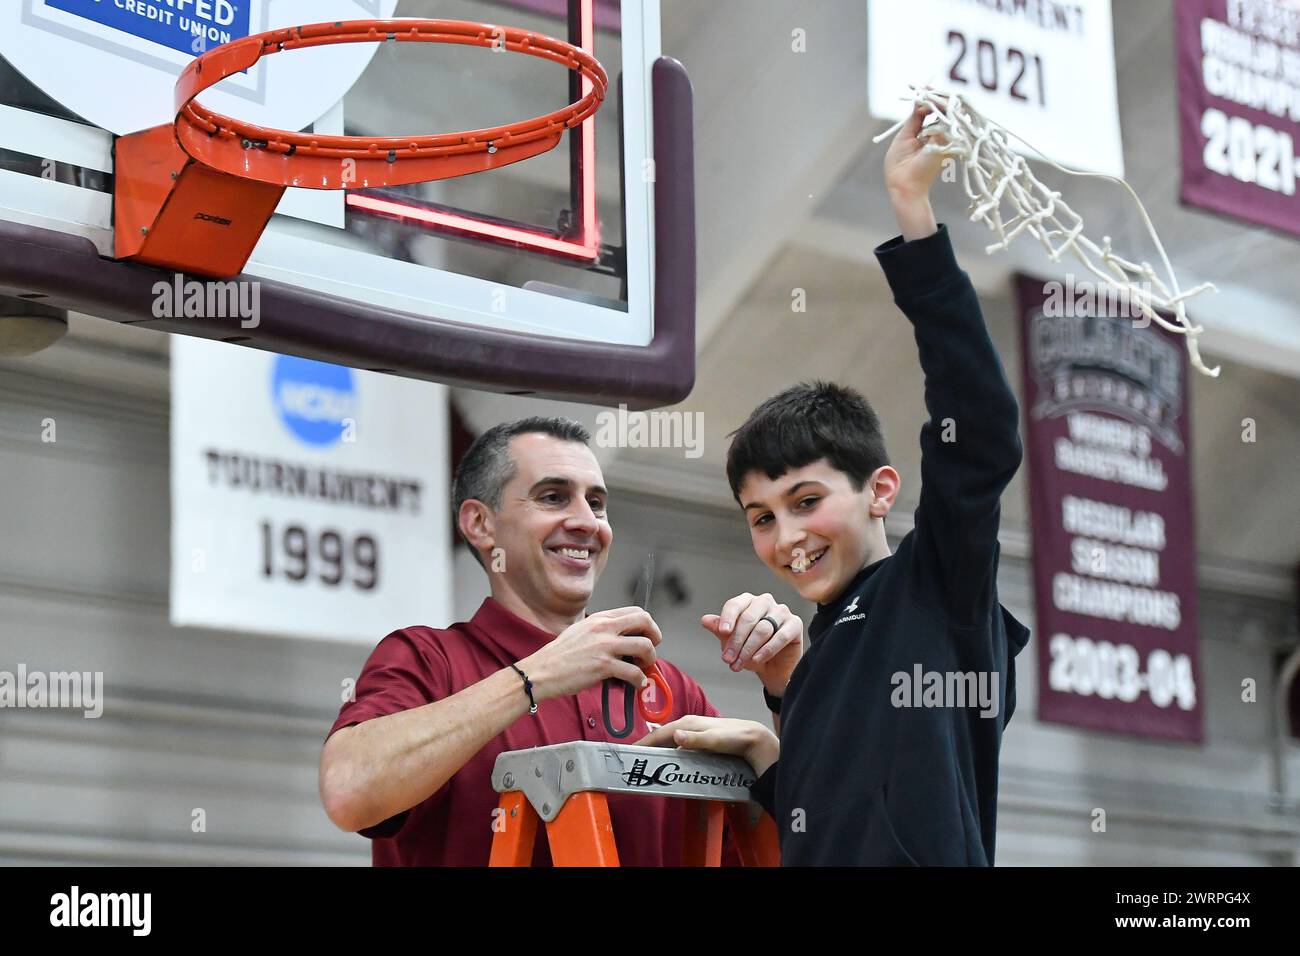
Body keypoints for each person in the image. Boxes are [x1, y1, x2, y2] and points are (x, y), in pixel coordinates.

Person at [640, 103, 1031, 866]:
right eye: (761, 517)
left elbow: (980, 431)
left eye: (807, 502)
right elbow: (834, 822)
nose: (786, 537)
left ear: (881, 490)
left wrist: (913, 218)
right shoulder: (824, 658)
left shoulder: (934, 587)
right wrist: (765, 742)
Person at [318, 416, 802, 865]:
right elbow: (348, 791)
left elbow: (801, 844)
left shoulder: (667, 687)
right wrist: (535, 677)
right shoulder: (426, 659)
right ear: (480, 523)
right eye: (553, 497)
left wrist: (787, 694)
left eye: (596, 502)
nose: (587, 522)